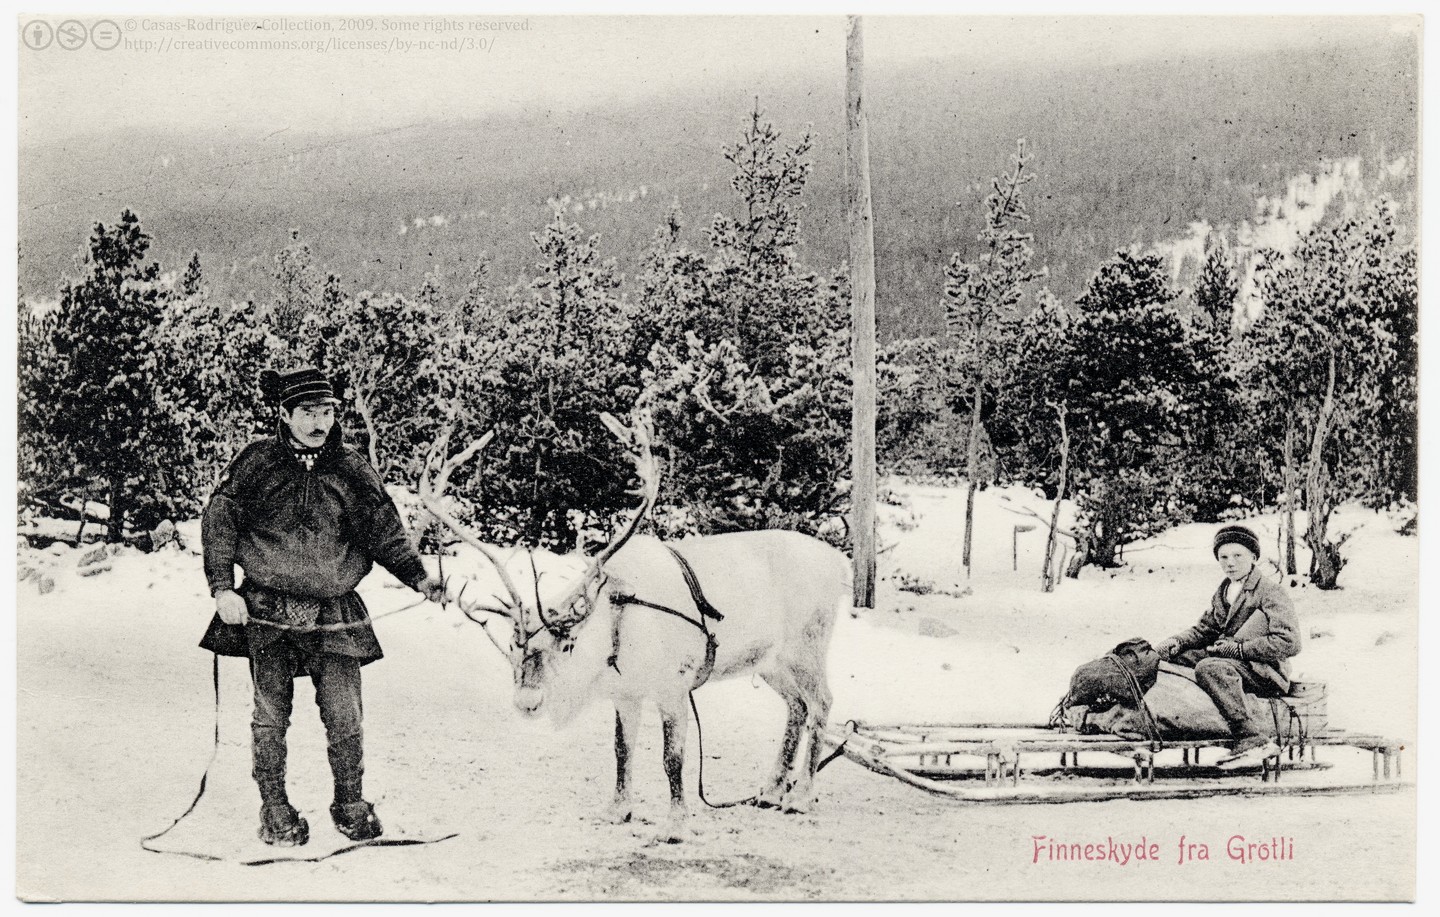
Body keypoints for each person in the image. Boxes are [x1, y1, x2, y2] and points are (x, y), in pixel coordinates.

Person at [200, 367, 445, 847]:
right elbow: (220, 519)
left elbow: (384, 529)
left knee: (345, 714)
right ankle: (274, 811)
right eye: (308, 412)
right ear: (284, 413)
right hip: (266, 611)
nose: (319, 422)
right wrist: (222, 588)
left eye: (328, 412)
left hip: (335, 613)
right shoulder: (256, 461)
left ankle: (350, 805)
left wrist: (419, 577)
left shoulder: (351, 468)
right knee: (270, 716)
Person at [1155, 524, 1301, 769]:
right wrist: (1175, 642)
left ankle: (1250, 737)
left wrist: (1241, 650)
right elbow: (1205, 629)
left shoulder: (1270, 592)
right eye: (1223, 557)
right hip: (1232, 665)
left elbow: (1290, 642)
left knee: (1209, 668)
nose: (1230, 563)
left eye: (1237, 556)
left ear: (1254, 557)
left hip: (1264, 671)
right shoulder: (1225, 590)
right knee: (1179, 659)